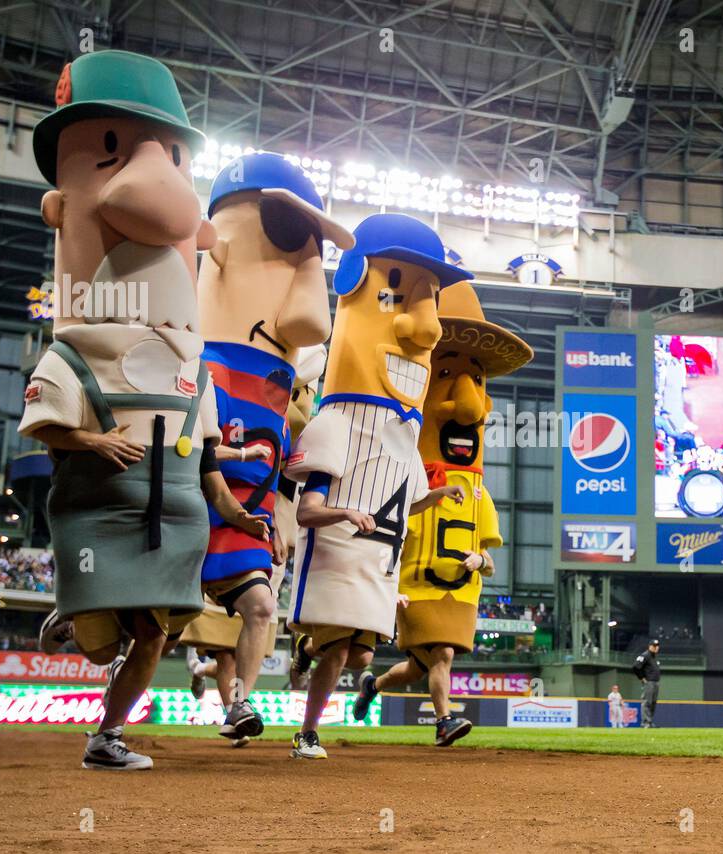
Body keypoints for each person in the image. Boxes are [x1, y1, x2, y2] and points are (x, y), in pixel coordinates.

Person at [19, 50, 262, 771]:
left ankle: (104, 737)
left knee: (155, 638)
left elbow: (209, 459)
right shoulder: (77, 346)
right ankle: (77, 601)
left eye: (175, 158)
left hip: (171, 520)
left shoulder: (196, 367)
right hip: (101, 507)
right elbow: (46, 426)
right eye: (115, 149)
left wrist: (233, 510)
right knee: (111, 603)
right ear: (61, 208)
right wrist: (94, 444)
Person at [177, 152, 352, 744]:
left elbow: (275, 471)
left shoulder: (283, 400)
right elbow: (183, 453)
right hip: (179, 517)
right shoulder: (194, 373)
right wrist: (235, 461)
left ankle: (241, 705)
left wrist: (274, 518)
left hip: (242, 525)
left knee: (259, 609)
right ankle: (103, 645)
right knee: (158, 622)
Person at [283, 213, 471, 760]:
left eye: (430, 301)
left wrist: (440, 495)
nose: (427, 329)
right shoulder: (336, 421)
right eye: (396, 296)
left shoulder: (403, 435)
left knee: (361, 658)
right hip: (342, 552)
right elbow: (308, 510)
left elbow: (408, 502)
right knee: (341, 654)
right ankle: (308, 733)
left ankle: (307, 646)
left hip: (381, 561)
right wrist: (345, 516)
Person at [349, 280, 533, 746]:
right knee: (444, 656)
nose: (469, 403)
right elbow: (386, 534)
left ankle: (373, 685)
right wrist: (387, 588)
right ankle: (443, 721)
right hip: (416, 586)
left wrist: (480, 562)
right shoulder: (407, 477)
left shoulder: (479, 495)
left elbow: (489, 558)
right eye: (447, 372)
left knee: (420, 666)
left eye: (477, 378)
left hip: (462, 592)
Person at [632, 638, 662, 728]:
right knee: (647, 702)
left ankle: (649, 722)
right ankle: (645, 722)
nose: (656, 648)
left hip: (655, 682)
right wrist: (641, 678)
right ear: (650, 646)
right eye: (654, 646)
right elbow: (635, 666)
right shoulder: (645, 655)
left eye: (657, 646)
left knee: (653, 703)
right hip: (649, 682)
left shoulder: (654, 657)